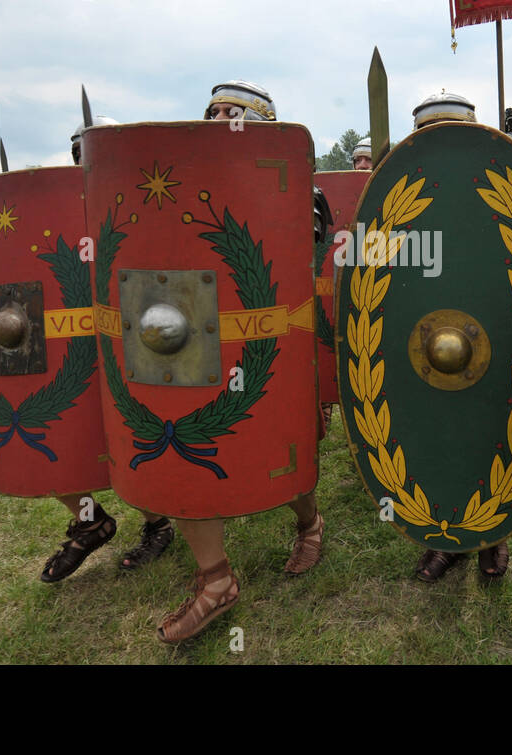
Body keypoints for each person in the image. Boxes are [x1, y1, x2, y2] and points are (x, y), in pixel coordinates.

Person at [154, 80, 325, 643]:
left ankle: (309, 522)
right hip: (195, 336)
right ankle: (216, 580)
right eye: (213, 111)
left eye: (232, 112)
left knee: (280, 442)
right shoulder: (179, 189)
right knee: (187, 457)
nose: (219, 117)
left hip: (272, 336)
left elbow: (306, 269)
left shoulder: (300, 188)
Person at [37, 114, 182, 586]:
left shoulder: (135, 197)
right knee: (58, 437)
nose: (85, 159)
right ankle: (90, 518)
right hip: (69, 338)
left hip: (129, 335)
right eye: (79, 150)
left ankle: (158, 524)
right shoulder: (58, 203)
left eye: (92, 150)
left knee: (127, 439)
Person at [404, 91, 512, 583]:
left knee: (490, 434)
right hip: (427, 341)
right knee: (439, 436)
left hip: (494, 331)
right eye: (430, 129)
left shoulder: (498, 184)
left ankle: (493, 536)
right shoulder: (401, 195)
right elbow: (382, 270)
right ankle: (448, 539)